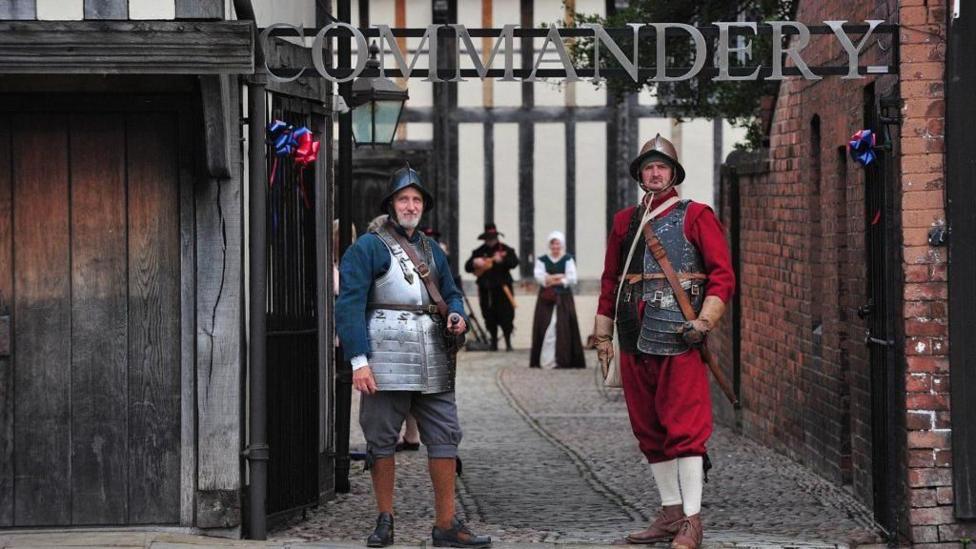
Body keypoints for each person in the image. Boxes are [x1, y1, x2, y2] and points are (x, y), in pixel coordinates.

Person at [336, 164, 491, 548]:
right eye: (403, 199)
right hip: (384, 356)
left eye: (416, 199)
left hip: (433, 356)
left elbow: (451, 293)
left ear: (424, 206)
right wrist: (359, 361)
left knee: (444, 437)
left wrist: (456, 314)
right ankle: (385, 519)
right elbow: (349, 305)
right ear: (391, 204)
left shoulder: (431, 249)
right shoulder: (367, 247)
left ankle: (446, 524)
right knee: (381, 440)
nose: (410, 205)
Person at [592, 135, 734, 549]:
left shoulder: (696, 216)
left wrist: (704, 321)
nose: (655, 173)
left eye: (662, 167)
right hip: (634, 333)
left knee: (685, 428)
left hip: (679, 333)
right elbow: (610, 279)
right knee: (649, 428)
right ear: (640, 174)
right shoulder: (624, 222)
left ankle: (692, 519)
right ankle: (670, 512)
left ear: (673, 173)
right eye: (648, 168)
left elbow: (722, 275)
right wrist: (603, 333)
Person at [529, 231, 586, 369]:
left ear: (562, 245)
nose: (555, 246)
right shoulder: (542, 260)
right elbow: (541, 278)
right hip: (546, 299)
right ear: (550, 245)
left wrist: (552, 279)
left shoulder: (567, 259)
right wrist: (559, 277)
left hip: (564, 298)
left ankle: (562, 360)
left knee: (562, 327)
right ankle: (546, 361)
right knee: (546, 326)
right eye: (553, 243)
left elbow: (572, 279)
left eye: (558, 243)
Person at [464, 223, 518, 351]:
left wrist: (502, 261)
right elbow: (467, 267)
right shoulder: (478, 251)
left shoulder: (506, 249)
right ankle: (493, 342)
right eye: (489, 237)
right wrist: (474, 262)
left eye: (493, 236)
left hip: (503, 289)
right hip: (486, 289)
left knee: (507, 315)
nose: (491, 239)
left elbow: (514, 262)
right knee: (488, 315)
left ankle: (508, 343)